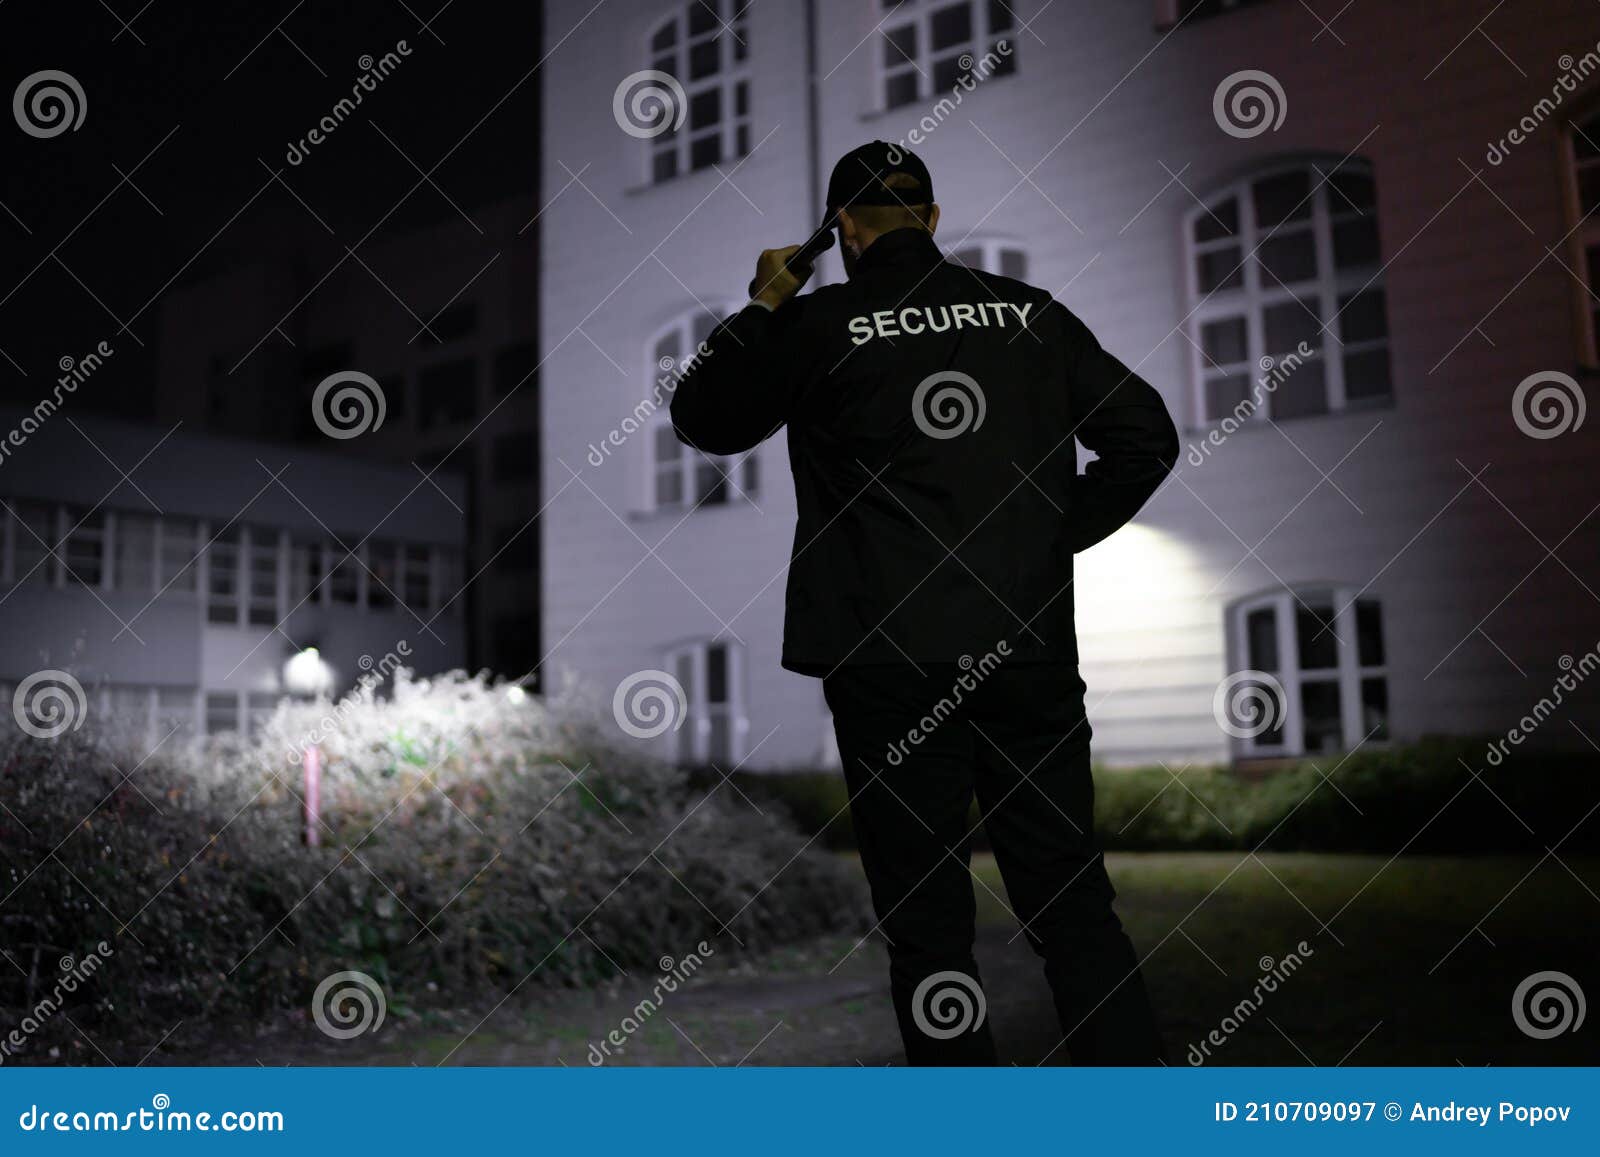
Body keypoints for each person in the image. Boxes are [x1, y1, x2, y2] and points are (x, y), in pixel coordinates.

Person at [670, 141, 1178, 1065]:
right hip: (1022, 652)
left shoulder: (818, 325)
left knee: (928, 926)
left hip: (887, 665)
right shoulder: (1030, 317)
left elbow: (705, 417)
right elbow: (1146, 439)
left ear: (846, 232)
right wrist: (1042, 538)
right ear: (933, 221)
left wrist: (763, 302)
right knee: (1069, 902)